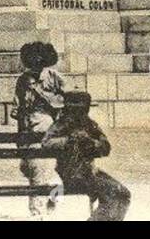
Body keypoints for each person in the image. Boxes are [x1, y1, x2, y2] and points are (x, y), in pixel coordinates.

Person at [43, 91, 130, 221]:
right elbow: (46, 143)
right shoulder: (61, 124)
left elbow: (105, 147)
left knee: (124, 193)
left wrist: (91, 142)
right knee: (112, 193)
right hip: (70, 175)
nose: (79, 114)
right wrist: (68, 140)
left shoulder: (90, 125)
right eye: (75, 110)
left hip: (89, 173)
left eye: (82, 110)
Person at [13, 41, 64, 217]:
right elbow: (19, 111)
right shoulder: (22, 80)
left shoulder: (54, 77)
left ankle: (37, 213)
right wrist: (20, 139)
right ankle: (56, 186)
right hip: (28, 127)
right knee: (26, 167)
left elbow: (71, 100)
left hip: (46, 127)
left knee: (37, 169)